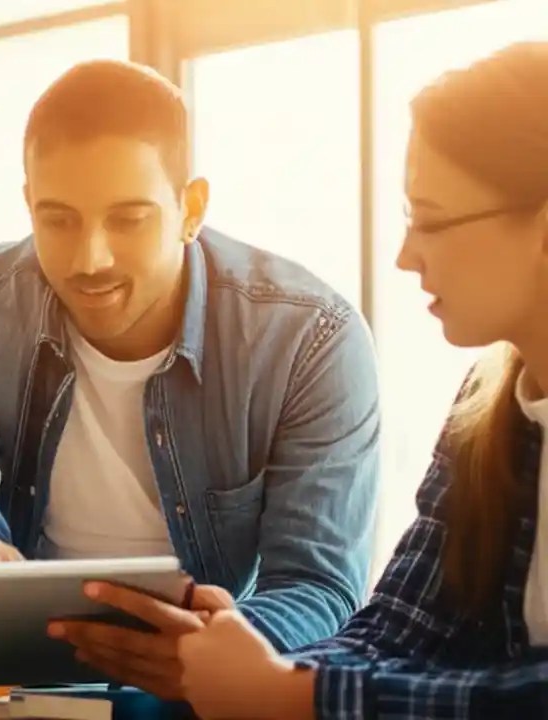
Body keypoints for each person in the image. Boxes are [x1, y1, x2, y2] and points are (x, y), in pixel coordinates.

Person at [0, 59, 381, 700]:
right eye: (58, 220)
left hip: (206, 688)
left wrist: (210, 654)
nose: (92, 259)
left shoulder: (310, 338)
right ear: (28, 202)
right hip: (22, 682)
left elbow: (319, 582)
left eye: (129, 219)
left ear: (190, 208)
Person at [178, 41, 548, 720]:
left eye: (431, 220)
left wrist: (293, 694)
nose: (406, 256)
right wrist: (244, 660)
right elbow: (401, 628)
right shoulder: (488, 406)